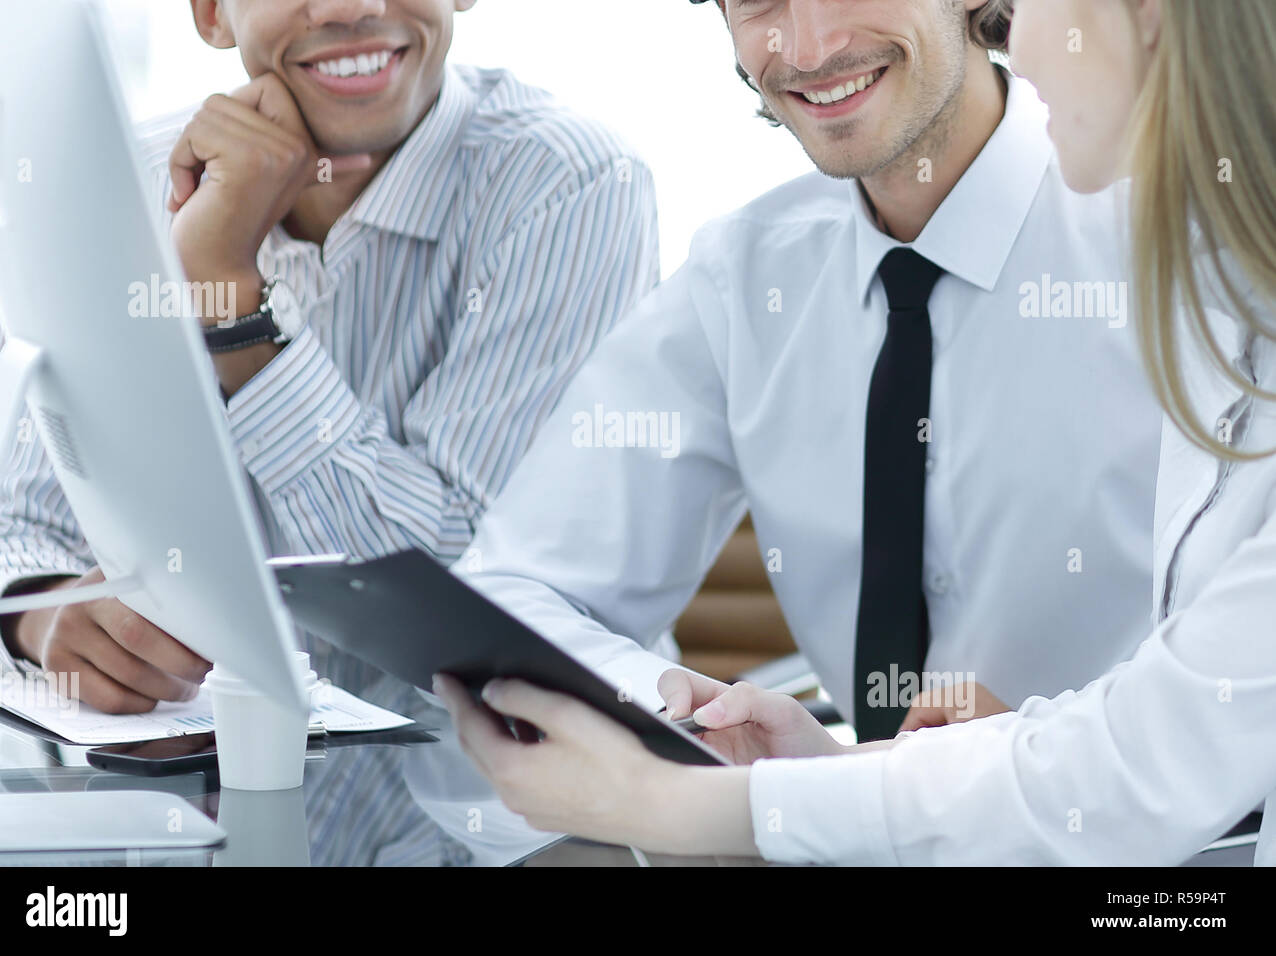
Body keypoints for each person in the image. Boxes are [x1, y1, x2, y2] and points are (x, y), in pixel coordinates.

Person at [440, 0, 1276, 866]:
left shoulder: (1195, 255)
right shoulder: (749, 276)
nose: (807, 46)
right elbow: (514, 589)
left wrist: (704, 805)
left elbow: (1163, 756)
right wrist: (698, 729)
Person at [0, 0, 659, 713]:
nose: (353, 6)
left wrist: (230, 297)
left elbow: (472, 608)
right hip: (196, 792)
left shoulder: (571, 186)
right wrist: (35, 614)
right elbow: (8, 522)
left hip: (477, 803)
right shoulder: (116, 187)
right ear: (211, 13)